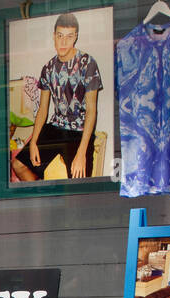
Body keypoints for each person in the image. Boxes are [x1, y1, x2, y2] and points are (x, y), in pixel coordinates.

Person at [10, 12, 103, 181]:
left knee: (78, 182)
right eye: (60, 36)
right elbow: (43, 109)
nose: (63, 42)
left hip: (79, 131)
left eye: (69, 36)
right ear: (54, 36)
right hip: (56, 127)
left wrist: (82, 153)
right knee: (18, 164)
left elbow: (91, 110)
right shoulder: (48, 68)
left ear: (75, 37)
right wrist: (33, 142)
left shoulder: (87, 63)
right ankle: (43, 198)